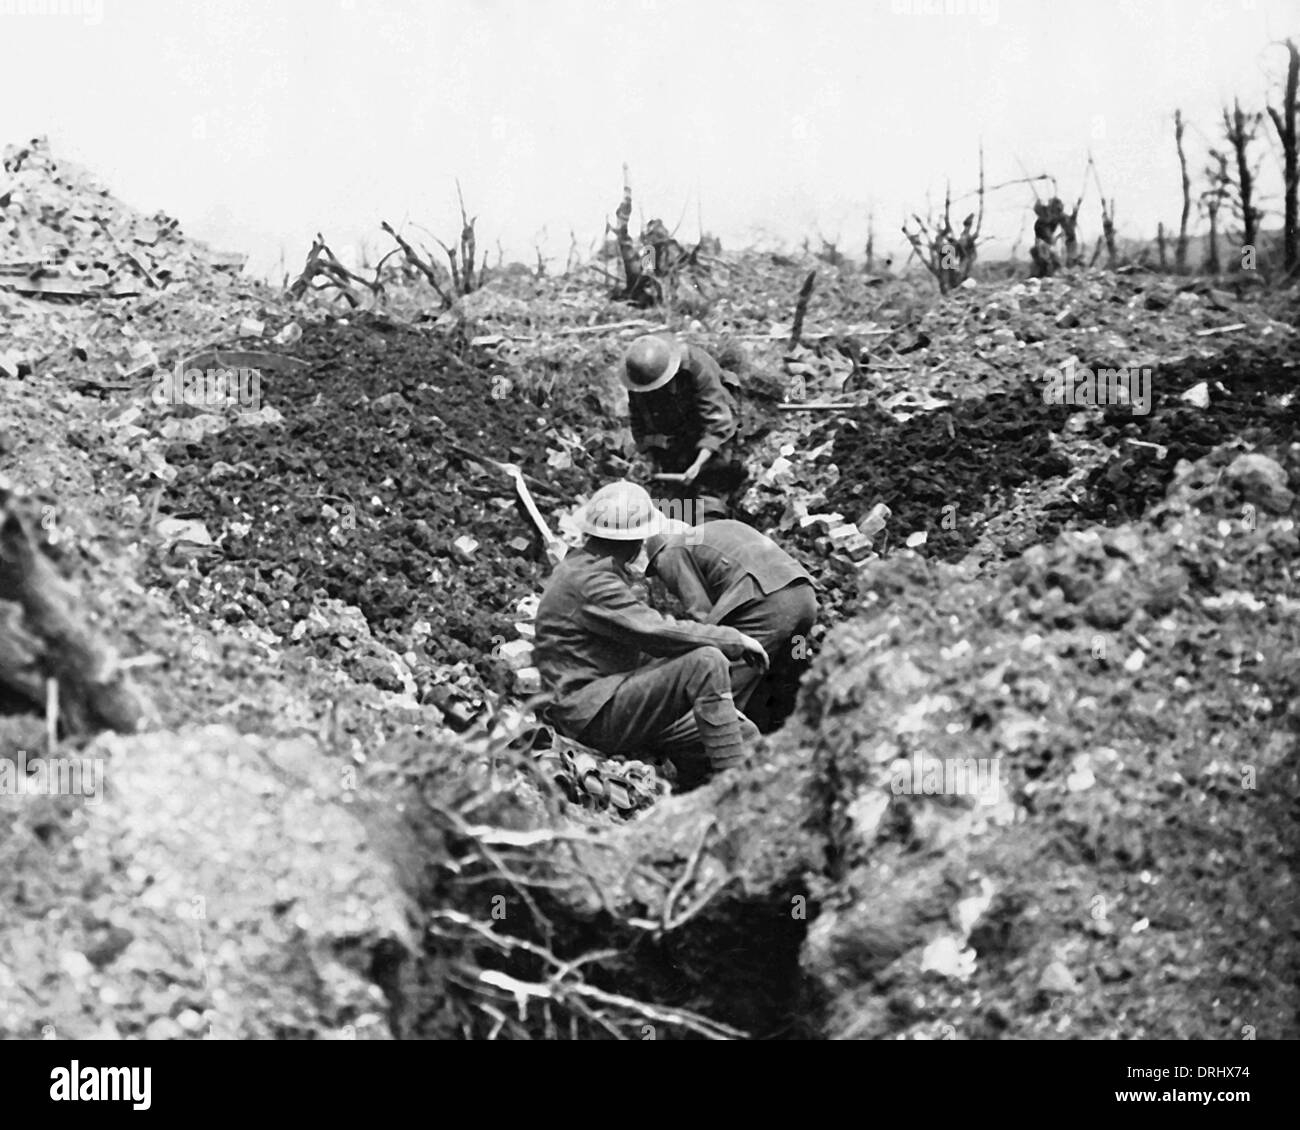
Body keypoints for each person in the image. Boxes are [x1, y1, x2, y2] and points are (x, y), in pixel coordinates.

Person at [534, 481, 769, 786]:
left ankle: (721, 803)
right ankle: (732, 792)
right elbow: (655, 632)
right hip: (589, 713)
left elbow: (645, 643)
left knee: (744, 736)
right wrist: (733, 640)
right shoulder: (590, 582)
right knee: (707, 661)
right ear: (633, 543)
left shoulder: (588, 571)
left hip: (609, 700)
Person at [644, 518, 818, 732]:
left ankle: (720, 757)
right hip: (805, 601)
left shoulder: (670, 552)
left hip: (768, 607)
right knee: (792, 667)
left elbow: (701, 613)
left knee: (723, 685)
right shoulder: (717, 530)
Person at [621, 333, 746, 524]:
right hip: (675, 429)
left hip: (707, 424)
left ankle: (714, 518)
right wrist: (647, 456)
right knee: (669, 501)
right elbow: (639, 422)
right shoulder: (639, 378)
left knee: (713, 480)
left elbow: (717, 423)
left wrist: (698, 465)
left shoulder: (696, 366)